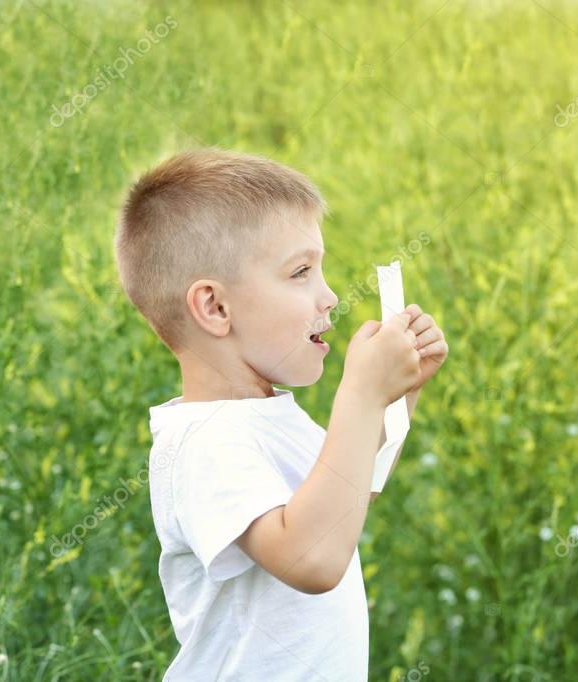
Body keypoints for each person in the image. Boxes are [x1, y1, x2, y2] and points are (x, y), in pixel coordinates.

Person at [113, 148, 448, 680]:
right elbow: (311, 559)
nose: (330, 296)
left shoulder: (269, 416)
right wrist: (359, 395)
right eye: (300, 273)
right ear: (215, 308)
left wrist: (395, 399)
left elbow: (346, 498)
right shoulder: (207, 442)